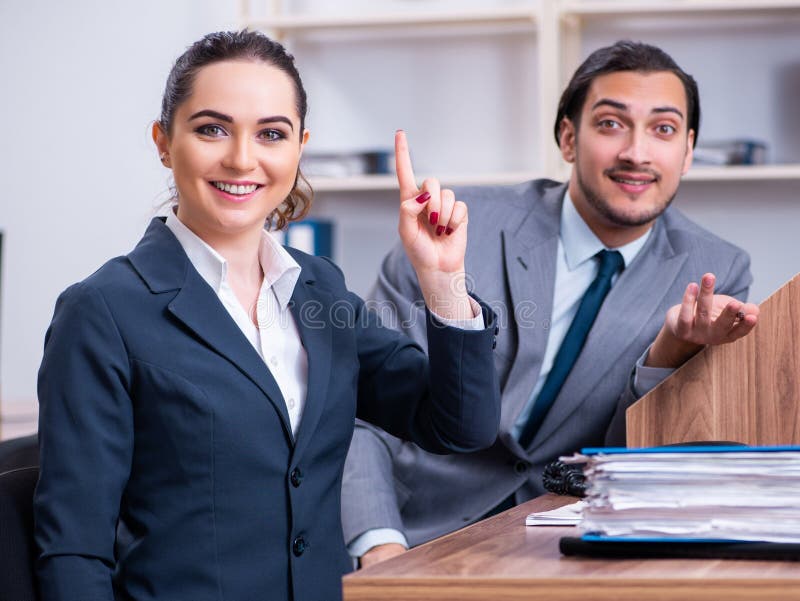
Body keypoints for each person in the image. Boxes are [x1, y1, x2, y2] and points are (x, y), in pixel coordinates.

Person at [33, 30, 501, 601]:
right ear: (163, 141)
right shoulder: (102, 311)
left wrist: (442, 278)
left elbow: (458, 427)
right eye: (212, 129)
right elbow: (74, 551)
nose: (241, 158)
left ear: (299, 147)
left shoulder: (318, 290)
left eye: (271, 134)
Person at [342, 40, 760, 567]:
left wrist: (667, 353)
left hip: (576, 543)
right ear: (568, 137)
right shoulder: (457, 230)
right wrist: (379, 547)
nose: (637, 152)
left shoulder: (714, 270)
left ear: (689, 149)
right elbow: (363, 412)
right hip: (416, 528)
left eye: (663, 129)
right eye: (610, 124)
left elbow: (647, 461)